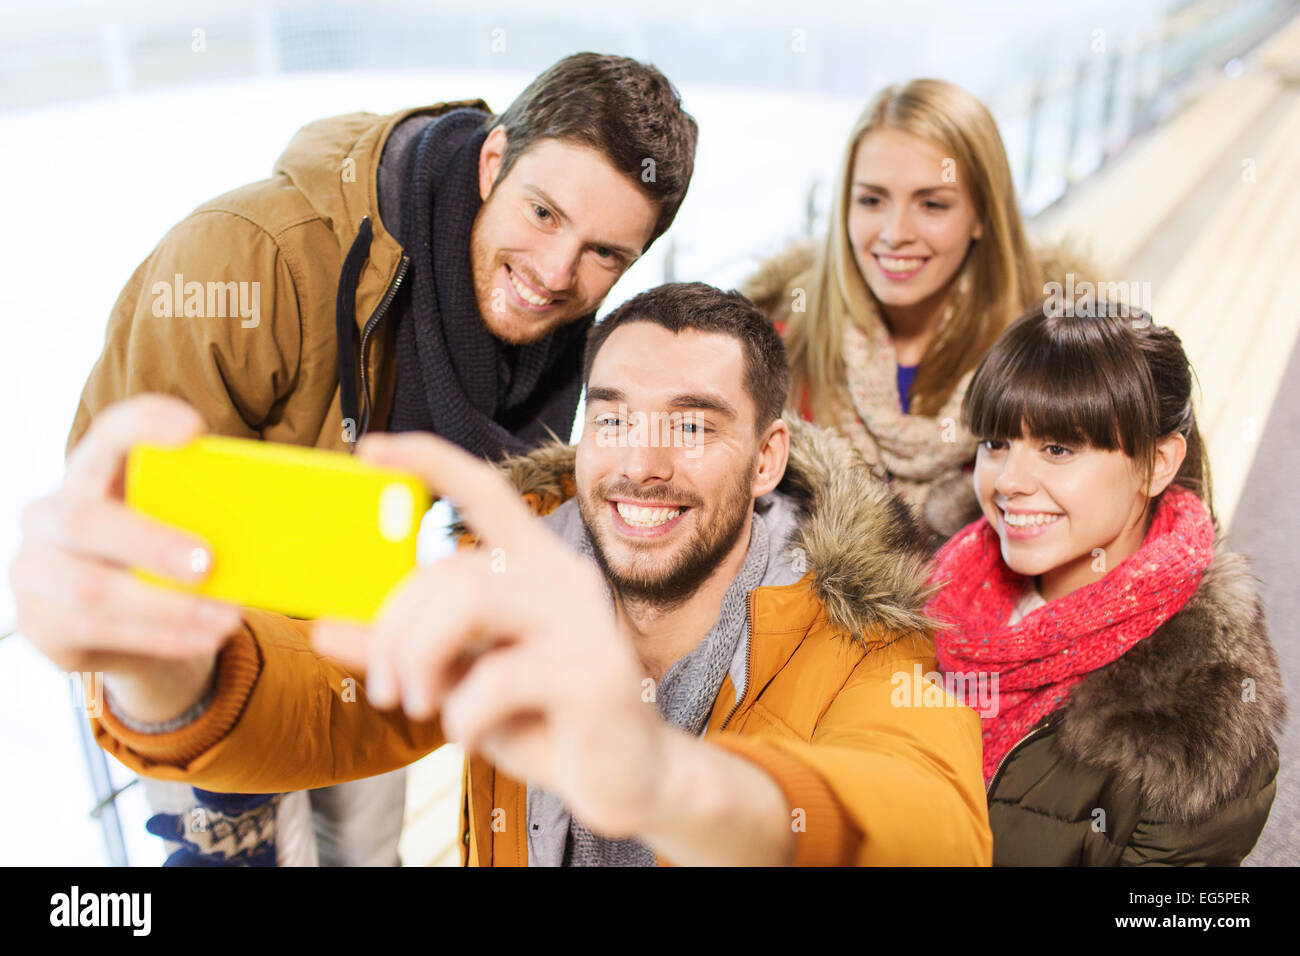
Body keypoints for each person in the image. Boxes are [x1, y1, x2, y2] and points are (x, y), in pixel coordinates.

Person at [15, 282, 992, 866]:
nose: (641, 462)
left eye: (693, 424)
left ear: (769, 456)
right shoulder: (523, 575)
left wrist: (667, 781)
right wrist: (160, 661)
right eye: (611, 417)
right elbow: (324, 694)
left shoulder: (863, 634)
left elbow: (934, 828)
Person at [58, 52, 699, 865]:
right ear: (494, 160)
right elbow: (124, 500)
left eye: (606, 254)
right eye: (542, 213)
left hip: (371, 634)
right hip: (212, 655)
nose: (556, 272)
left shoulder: (557, 348)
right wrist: (225, 768)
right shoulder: (250, 256)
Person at [925, 303, 1286, 865]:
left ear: (1157, 464)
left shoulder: (1200, 723)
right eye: (996, 443)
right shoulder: (923, 591)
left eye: (1058, 448)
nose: (1009, 482)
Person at [742, 78, 1091, 545]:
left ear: (982, 216)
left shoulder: (1060, 363)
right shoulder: (770, 348)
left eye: (932, 204)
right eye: (871, 200)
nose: (894, 233)